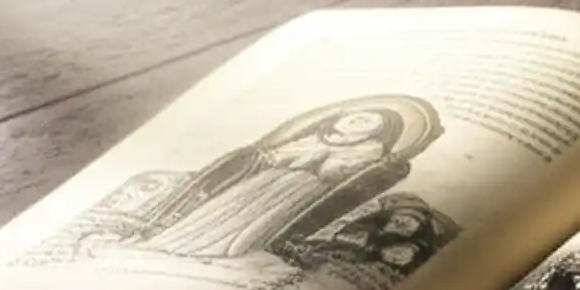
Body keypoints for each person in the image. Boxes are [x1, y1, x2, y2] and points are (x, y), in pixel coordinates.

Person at [139, 108, 407, 258]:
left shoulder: (369, 148)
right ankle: (181, 239)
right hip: (270, 178)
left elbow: (334, 171)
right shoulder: (319, 137)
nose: (357, 120)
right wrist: (273, 157)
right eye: (354, 116)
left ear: (378, 130)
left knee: (258, 216)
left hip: (303, 186)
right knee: (229, 206)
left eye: (369, 120)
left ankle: (218, 247)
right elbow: (282, 154)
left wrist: (317, 159)